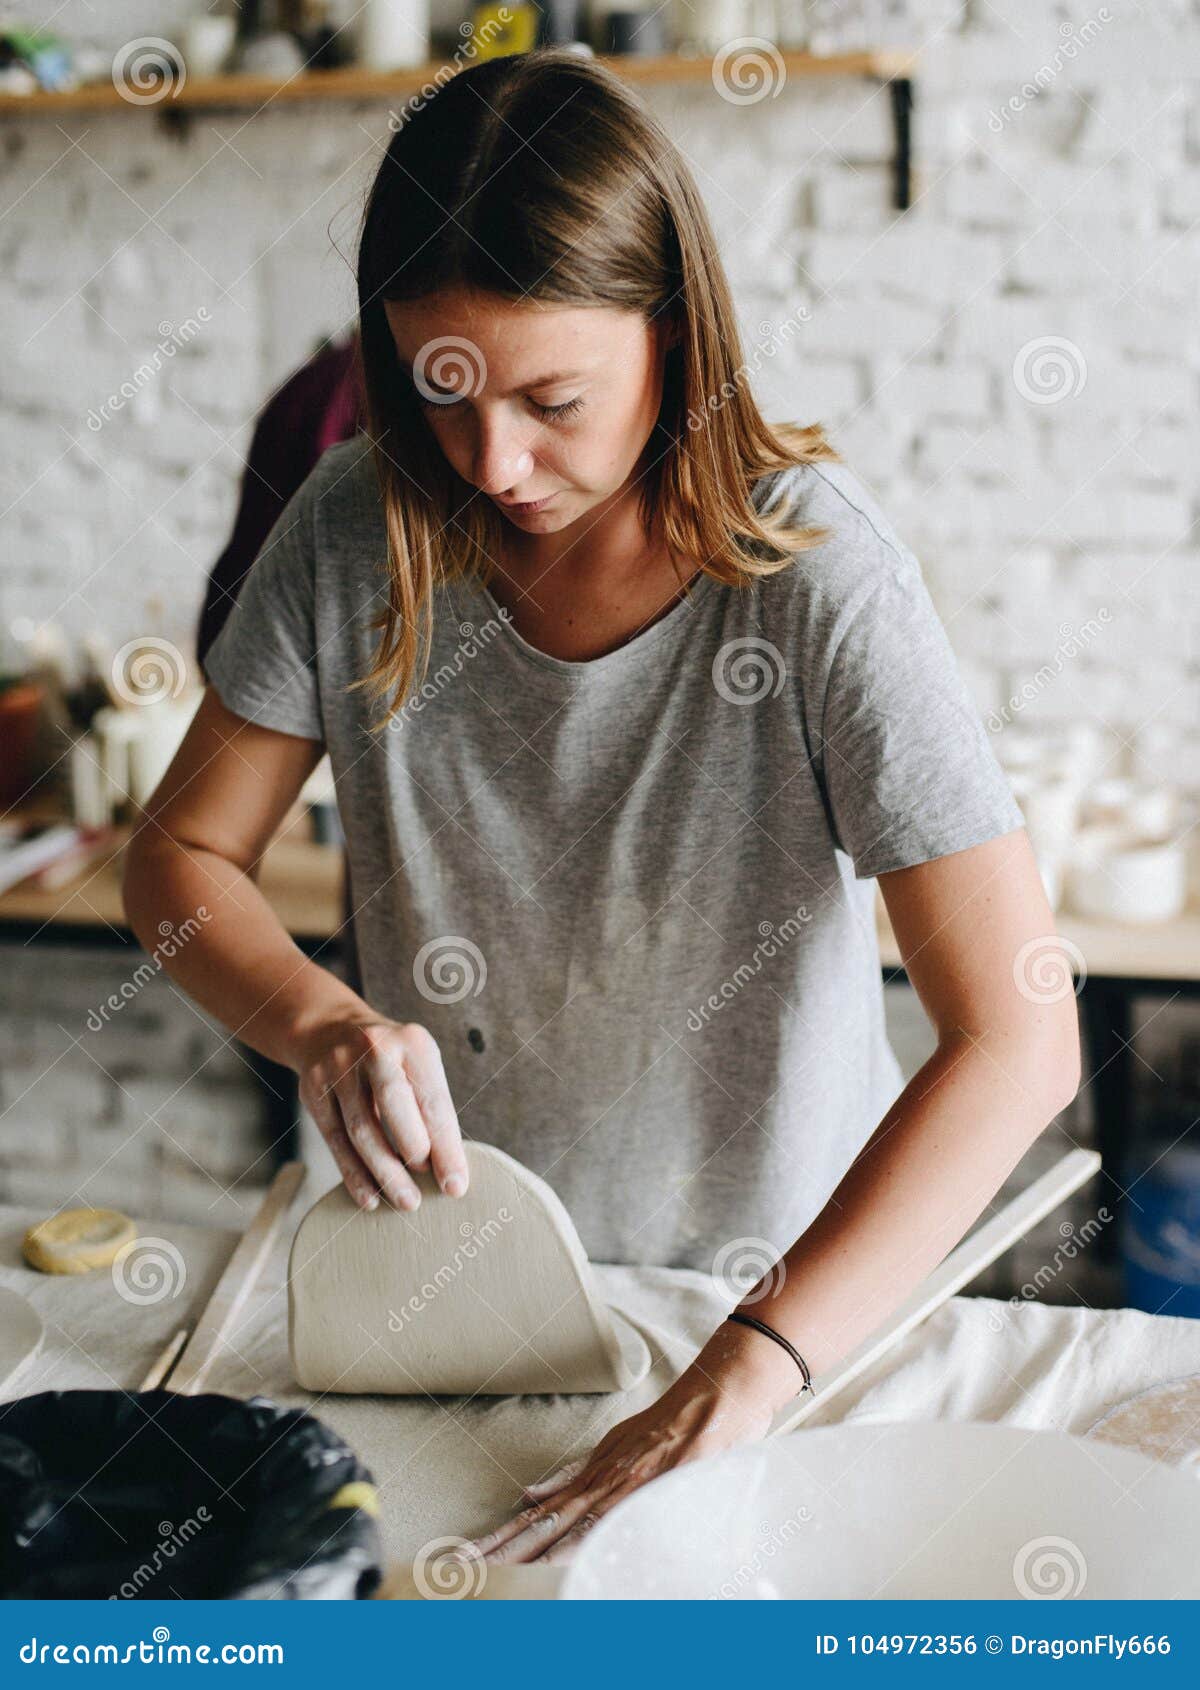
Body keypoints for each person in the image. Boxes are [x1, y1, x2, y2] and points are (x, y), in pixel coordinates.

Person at [122, 49, 1080, 1564]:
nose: (493, 463)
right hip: (448, 1293)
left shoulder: (814, 576)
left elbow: (1022, 1034)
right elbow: (176, 857)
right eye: (444, 395)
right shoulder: (353, 531)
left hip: (773, 1305)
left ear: (675, 334)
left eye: (552, 398)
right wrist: (318, 1024)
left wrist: (759, 1360)